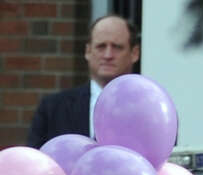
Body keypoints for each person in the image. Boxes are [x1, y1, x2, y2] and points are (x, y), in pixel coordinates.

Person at [25, 15, 140, 148]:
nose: (108, 55)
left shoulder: (148, 110)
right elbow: (36, 162)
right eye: (101, 46)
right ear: (88, 51)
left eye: (117, 47)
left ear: (134, 53)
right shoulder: (53, 109)